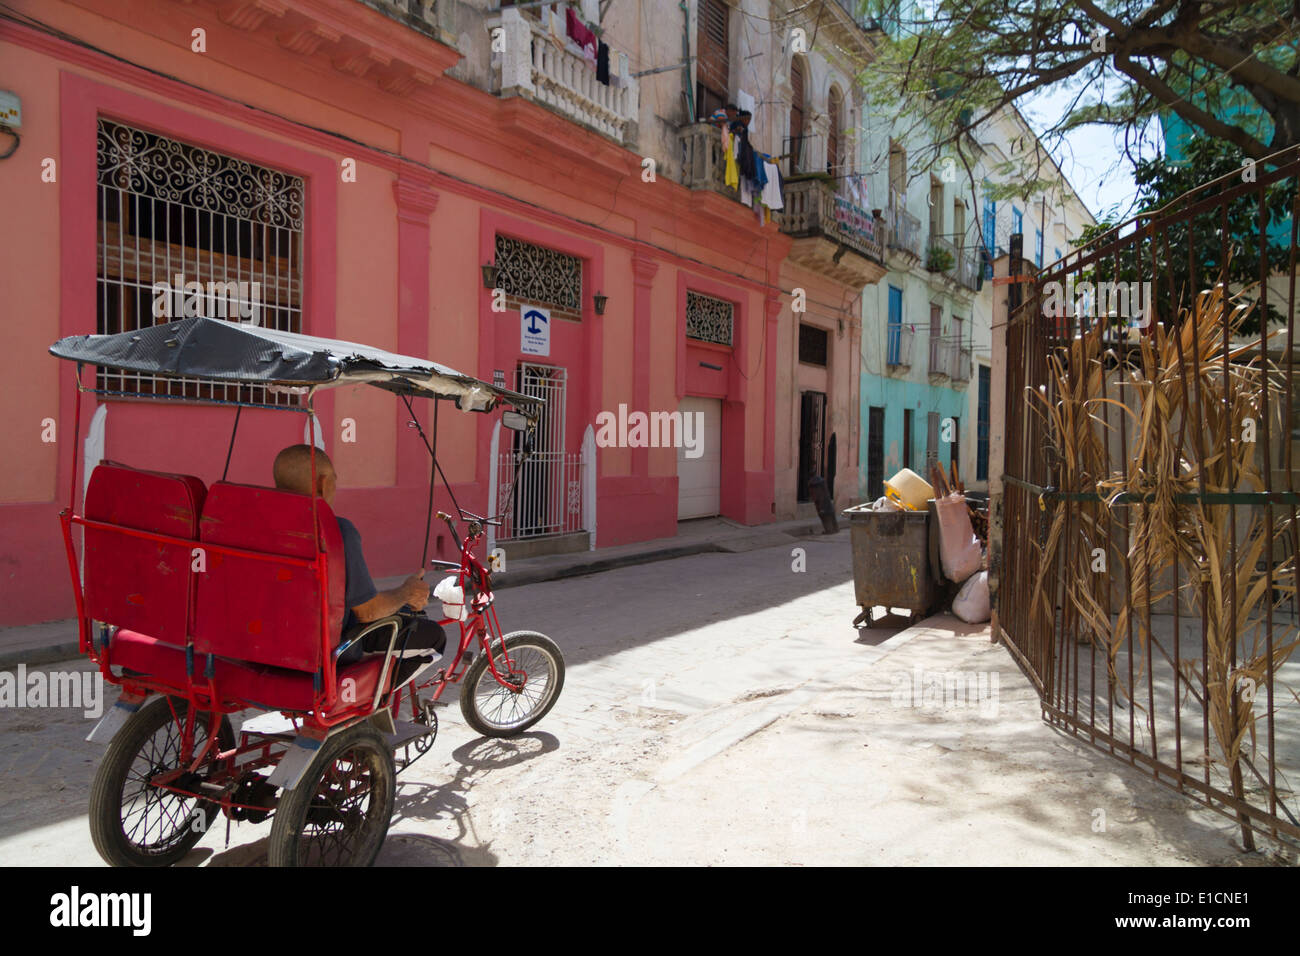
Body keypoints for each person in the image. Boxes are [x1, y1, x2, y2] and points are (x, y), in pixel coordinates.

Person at [272, 445, 448, 682]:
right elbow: (368, 612)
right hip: (333, 649)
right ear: (323, 484)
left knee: (398, 610)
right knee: (434, 638)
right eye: (335, 480)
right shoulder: (337, 532)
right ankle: (374, 701)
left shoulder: (256, 527)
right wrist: (407, 592)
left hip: (271, 642)